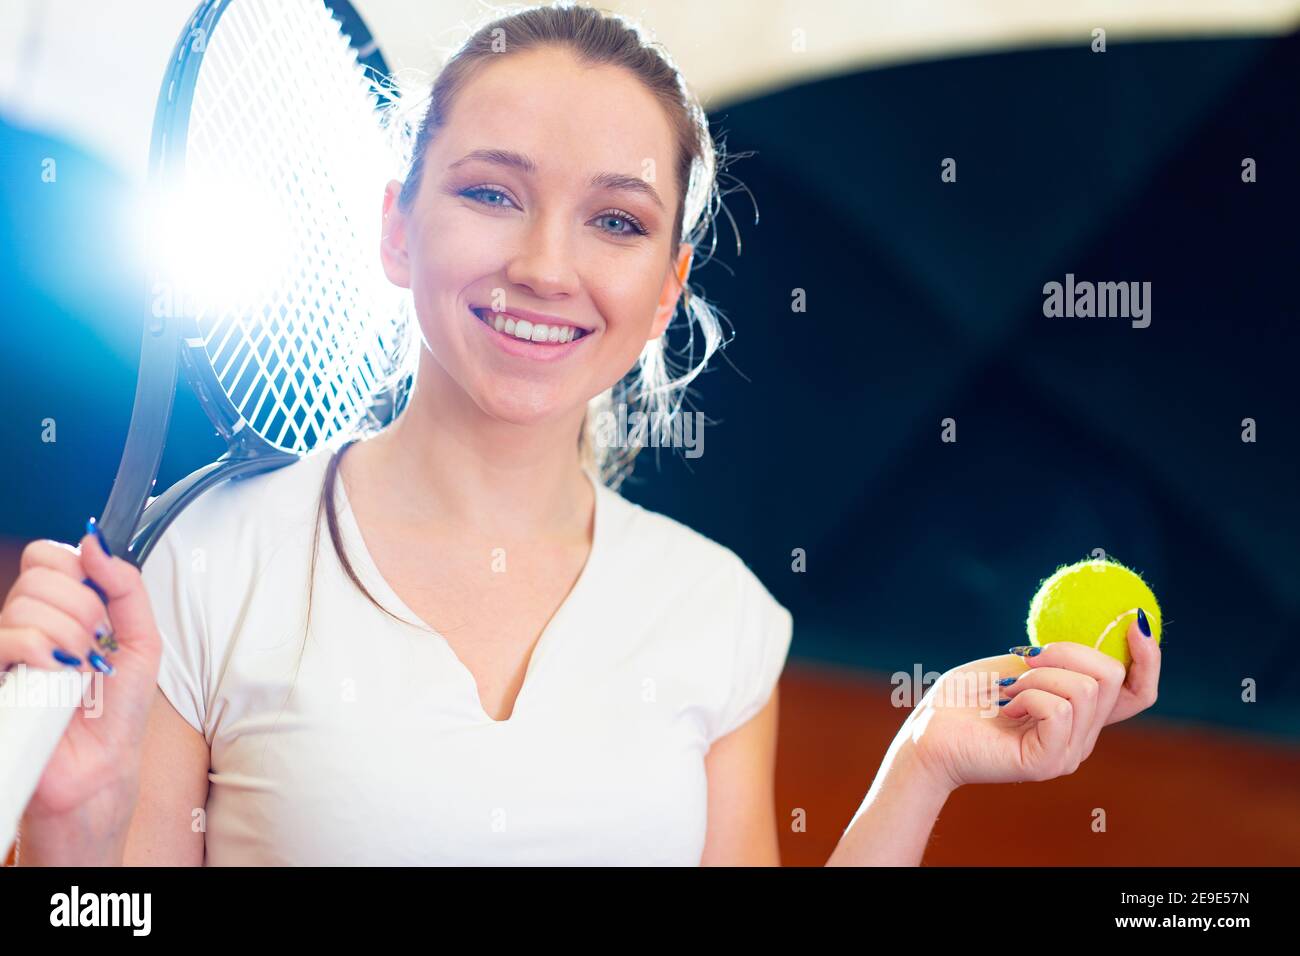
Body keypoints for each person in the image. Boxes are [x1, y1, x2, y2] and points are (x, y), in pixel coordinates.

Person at [4, 3, 1161, 866]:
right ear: (398, 228)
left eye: (614, 218)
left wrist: (923, 766)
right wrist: (66, 831)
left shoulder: (715, 613)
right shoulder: (202, 568)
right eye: (492, 192)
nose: (545, 266)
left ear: (667, 287)